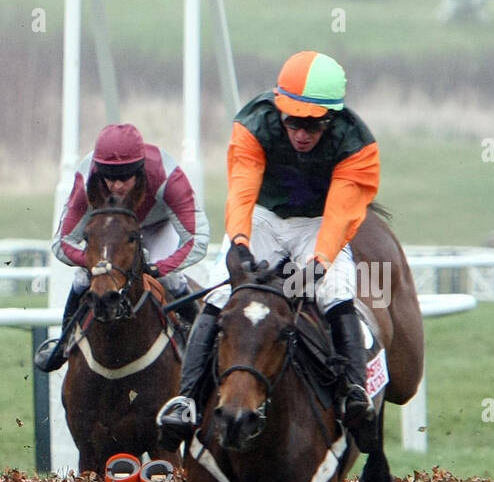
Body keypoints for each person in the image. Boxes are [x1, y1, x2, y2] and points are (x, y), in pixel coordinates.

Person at [157, 50, 381, 454]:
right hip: (262, 217)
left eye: (312, 125)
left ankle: (352, 392)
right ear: (279, 109)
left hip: (316, 222)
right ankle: (186, 399)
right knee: (220, 293)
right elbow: (242, 187)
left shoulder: (357, 146)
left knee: (335, 290)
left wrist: (320, 263)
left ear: (331, 118)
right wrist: (239, 243)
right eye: (292, 121)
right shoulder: (254, 123)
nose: (301, 133)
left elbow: (342, 213)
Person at [34, 122, 208, 373]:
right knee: (84, 277)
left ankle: (199, 348)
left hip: (157, 227)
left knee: (172, 279)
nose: (115, 186)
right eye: (109, 178)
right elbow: (61, 243)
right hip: (109, 233)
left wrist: (158, 268)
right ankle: (64, 342)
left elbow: (197, 238)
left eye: (124, 177)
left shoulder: (168, 176)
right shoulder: (87, 180)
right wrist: (95, 262)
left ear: (139, 170)